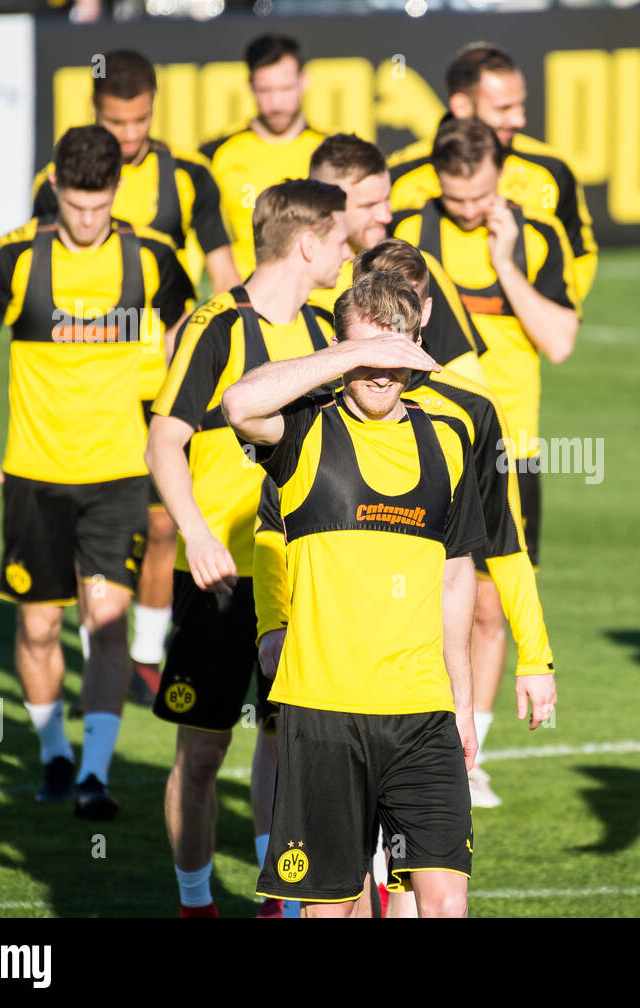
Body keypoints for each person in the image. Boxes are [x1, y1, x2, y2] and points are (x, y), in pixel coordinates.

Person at [224, 271, 488, 917]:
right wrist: (351, 352)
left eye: (395, 354)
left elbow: (456, 577)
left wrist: (463, 700)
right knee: (331, 909)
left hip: (422, 713)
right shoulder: (304, 432)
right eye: (366, 356)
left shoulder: (449, 441)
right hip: (324, 714)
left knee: (446, 899)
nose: (380, 372)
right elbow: (238, 405)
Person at [0, 124, 195, 817]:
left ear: (117, 193)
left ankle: (94, 774)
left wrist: (175, 425)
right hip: (34, 478)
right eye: (73, 206)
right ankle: (53, 750)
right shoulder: (16, 258)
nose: (86, 221)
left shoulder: (152, 259)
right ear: (54, 189)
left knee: (106, 620)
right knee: (35, 628)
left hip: (118, 478)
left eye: (99, 206)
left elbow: (189, 339)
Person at [145, 179, 349, 917]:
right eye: (340, 239)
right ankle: (196, 902)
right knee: (201, 755)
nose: (347, 252)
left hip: (303, 580)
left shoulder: (329, 327)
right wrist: (196, 533)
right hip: (224, 577)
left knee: (288, 741)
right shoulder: (216, 326)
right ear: (307, 244)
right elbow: (163, 440)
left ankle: (279, 897)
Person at [33, 49, 240, 699]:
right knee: (88, 520)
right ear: (95, 111)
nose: (129, 135)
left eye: (141, 119)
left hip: (167, 375)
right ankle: (103, 650)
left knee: (160, 522)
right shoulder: (55, 181)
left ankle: (144, 657)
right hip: (90, 379)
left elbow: (226, 272)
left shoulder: (189, 177)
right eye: (117, 121)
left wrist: (224, 345)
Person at [392, 117, 579, 804]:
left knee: (492, 606)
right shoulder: (413, 238)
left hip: (508, 445)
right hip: (422, 437)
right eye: (457, 198)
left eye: (481, 195)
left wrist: (505, 266)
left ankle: (469, 756)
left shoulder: (536, 235)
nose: (470, 211)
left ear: (501, 175)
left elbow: (558, 341)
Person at [388, 42, 598, 302]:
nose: (519, 120)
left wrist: (549, 312)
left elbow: (579, 253)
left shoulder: (550, 171)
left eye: (520, 106)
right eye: (504, 108)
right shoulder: (401, 176)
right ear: (462, 106)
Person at [307, 135, 488, 388]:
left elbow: (470, 387)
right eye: (369, 205)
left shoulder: (416, 268)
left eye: (386, 199)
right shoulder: (297, 281)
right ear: (325, 208)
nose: (385, 215)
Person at [201, 33, 325, 280]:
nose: (276, 102)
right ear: (249, 86)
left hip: (316, 297)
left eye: (285, 88)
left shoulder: (329, 152)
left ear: (304, 81)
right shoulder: (215, 156)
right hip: (243, 298)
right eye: (265, 90)